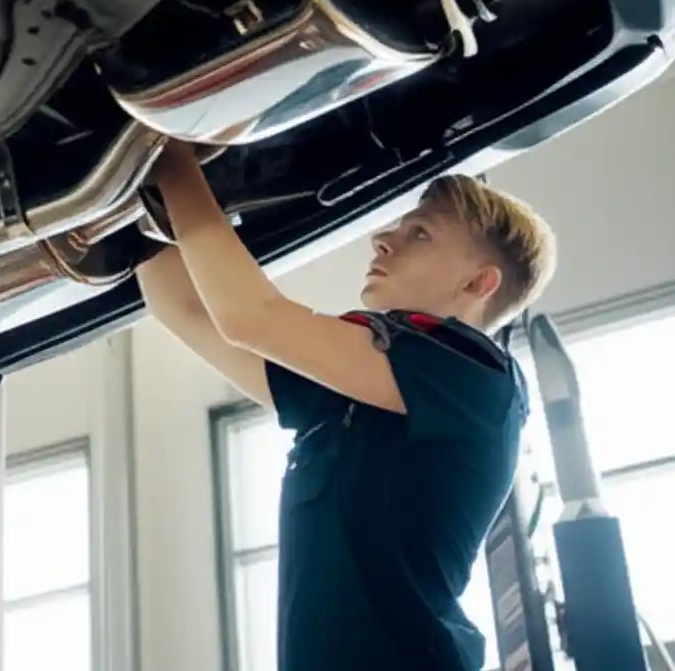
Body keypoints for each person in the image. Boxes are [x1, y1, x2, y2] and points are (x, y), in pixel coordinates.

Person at [136, 140, 557, 670]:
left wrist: (168, 157)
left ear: (478, 282)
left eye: (419, 233)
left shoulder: (477, 378)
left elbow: (248, 317)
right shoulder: (362, 392)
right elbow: (184, 308)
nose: (383, 239)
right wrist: (133, 208)